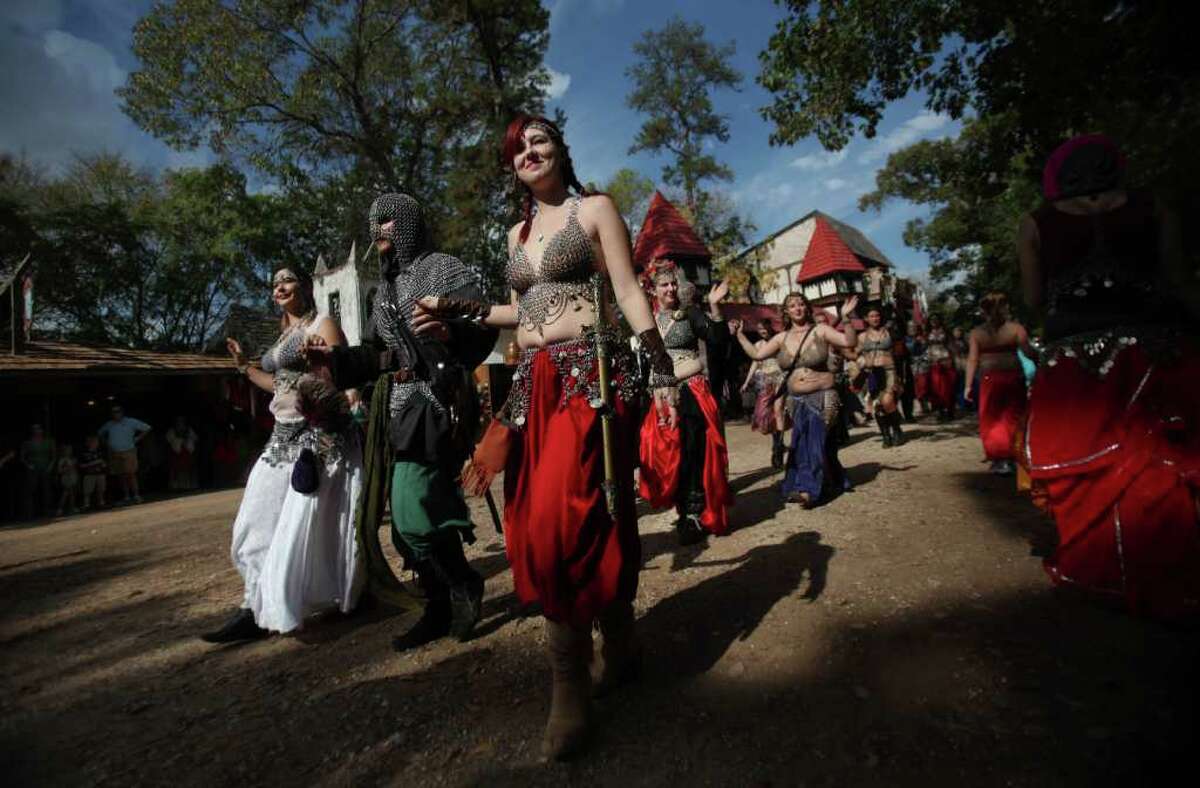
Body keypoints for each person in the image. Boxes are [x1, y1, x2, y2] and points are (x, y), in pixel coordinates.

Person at [415, 114, 677, 760]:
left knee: (578, 518)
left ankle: (572, 680)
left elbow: (626, 289)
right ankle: (618, 645)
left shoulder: (596, 210)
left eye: (539, 141)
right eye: (517, 149)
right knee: (538, 522)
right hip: (532, 385)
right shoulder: (518, 232)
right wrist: (464, 310)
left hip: (589, 378)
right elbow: (522, 311)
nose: (528, 152)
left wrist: (659, 361)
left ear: (561, 148)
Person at [1016, 133, 1200, 618]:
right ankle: (1177, 568)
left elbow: (1034, 297)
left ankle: (1102, 569)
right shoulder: (1154, 208)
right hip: (1153, 348)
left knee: (1088, 461)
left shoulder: (1036, 224)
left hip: (1078, 361)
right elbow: (1176, 277)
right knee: (1163, 453)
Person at [306, 192, 496, 652]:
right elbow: (376, 354)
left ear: (408, 223)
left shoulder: (442, 268)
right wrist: (335, 360)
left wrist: (451, 331)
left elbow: (485, 324)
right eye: (374, 223)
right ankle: (438, 605)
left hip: (436, 398)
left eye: (388, 221)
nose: (379, 229)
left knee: (412, 508)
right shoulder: (386, 290)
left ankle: (463, 582)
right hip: (396, 404)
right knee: (417, 512)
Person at [201, 267, 365, 643]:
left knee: (300, 525)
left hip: (314, 439)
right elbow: (277, 384)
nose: (280, 287)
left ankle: (261, 609)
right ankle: (256, 603)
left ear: (304, 287)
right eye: (275, 283)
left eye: (287, 280)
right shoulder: (284, 334)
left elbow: (342, 378)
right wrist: (245, 368)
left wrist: (322, 364)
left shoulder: (322, 324)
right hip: (281, 437)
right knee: (255, 520)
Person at [638, 261, 733, 545]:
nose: (670, 288)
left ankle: (694, 512)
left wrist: (715, 308)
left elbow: (716, 339)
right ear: (653, 290)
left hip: (691, 392)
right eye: (664, 284)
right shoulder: (646, 321)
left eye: (673, 283)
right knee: (666, 455)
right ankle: (681, 508)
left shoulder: (690, 314)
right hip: (661, 396)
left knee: (693, 451)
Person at [734, 293, 859, 507]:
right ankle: (835, 479)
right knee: (806, 442)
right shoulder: (781, 338)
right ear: (787, 311)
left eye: (801, 304)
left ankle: (809, 490)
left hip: (823, 397)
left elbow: (849, 341)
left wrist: (845, 318)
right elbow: (758, 355)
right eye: (792, 306)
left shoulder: (820, 330)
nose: (798, 308)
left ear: (807, 308)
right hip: (797, 400)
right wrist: (739, 335)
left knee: (813, 442)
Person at [964, 293, 1035, 475]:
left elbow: (972, 360)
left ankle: (998, 458)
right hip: (1013, 377)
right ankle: (1013, 454)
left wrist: (968, 386)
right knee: (1013, 415)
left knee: (991, 417)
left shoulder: (977, 333)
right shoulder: (1016, 329)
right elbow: (1028, 352)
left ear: (983, 310)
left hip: (990, 379)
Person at [741, 317, 787, 467]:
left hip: (780, 379)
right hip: (765, 382)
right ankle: (776, 440)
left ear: (769, 328)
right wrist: (747, 382)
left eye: (765, 328)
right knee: (763, 416)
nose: (763, 331)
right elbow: (755, 363)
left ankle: (778, 448)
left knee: (778, 411)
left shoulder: (778, 341)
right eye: (760, 329)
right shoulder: (758, 345)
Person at [856, 308, 904, 447]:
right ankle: (885, 435)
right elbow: (855, 354)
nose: (875, 318)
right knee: (877, 405)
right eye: (871, 316)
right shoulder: (862, 337)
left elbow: (899, 352)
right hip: (872, 374)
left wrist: (901, 374)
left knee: (888, 401)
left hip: (889, 371)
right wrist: (863, 363)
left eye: (877, 315)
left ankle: (896, 429)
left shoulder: (889, 332)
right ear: (866, 318)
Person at [97, 405, 150, 505]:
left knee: (131, 473)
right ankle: (126, 497)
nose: (115, 414)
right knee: (121, 475)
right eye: (113, 412)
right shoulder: (109, 424)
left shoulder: (131, 421)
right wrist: (107, 443)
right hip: (115, 452)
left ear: (122, 412)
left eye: (117, 411)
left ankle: (136, 495)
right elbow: (100, 433)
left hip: (129, 450)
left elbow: (147, 428)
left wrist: (137, 438)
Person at [924, 314, 958, 420]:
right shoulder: (927, 333)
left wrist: (952, 359)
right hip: (933, 361)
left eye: (936, 319)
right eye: (931, 320)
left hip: (945, 360)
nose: (933, 321)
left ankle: (950, 410)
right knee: (936, 387)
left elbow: (952, 345)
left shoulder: (946, 332)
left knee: (947, 387)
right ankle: (940, 411)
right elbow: (926, 346)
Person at [19, 424, 55, 519]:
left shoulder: (48, 442)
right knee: (30, 490)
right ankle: (29, 514)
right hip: (33, 469)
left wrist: (50, 466)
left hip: (45, 468)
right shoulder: (27, 443)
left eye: (39, 429)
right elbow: (22, 457)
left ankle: (47, 512)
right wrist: (28, 465)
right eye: (35, 429)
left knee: (46, 490)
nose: (37, 431)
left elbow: (53, 456)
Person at [165, 416, 199, 491]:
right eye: (178, 420)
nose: (180, 422)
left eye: (182, 420)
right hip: (176, 453)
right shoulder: (172, 430)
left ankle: (188, 486)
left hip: (187, 452)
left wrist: (187, 441)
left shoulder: (188, 429)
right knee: (176, 470)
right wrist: (178, 441)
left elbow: (195, 438)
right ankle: (175, 487)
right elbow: (168, 439)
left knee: (187, 469)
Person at [78, 434, 107, 511]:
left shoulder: (100, 452)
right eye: (94, 442)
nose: (96, 443)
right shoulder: (84, 453)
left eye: (96, 442)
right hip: (89, 474)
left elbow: (104, 463)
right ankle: (86, 505)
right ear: (89, 443)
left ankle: (101, 503)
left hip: (100, 473)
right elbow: (81, 465)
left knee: (101, 489)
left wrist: (103, 464)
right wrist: (94, 463)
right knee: (87, 491)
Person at [55, 443, 78, 516]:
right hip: (66, 478)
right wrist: (68, 467)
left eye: (70, 450)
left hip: (73, 477)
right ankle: (60, 509)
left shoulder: (73, 459)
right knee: (66, 493)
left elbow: (75, 469)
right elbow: (59, 470)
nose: (69, 451)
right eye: (67, 450)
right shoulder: (62, 460)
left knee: (71, 493)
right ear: (64, 451)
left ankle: (71, 508)